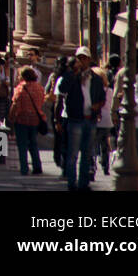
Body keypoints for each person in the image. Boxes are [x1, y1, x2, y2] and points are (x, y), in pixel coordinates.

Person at [56, 46, 105, 191]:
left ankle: (84, 183)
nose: (82, 61)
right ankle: (72, 182)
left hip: (90, 119)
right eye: (79, 58)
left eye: (84, 58)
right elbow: (62, 89)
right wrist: (73, 73)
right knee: (72, 154)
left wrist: (98, 105)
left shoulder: (96, 79)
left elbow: (102, 97)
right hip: (75, 119)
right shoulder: (71, 76)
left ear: (89, 60)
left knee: (87, 153)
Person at [8, 65, 46, 175]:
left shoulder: (20, 88)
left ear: (23, 76)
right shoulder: (39, 87)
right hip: (35, 119)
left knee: (22, 145)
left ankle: (24, 168)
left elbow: (15, 104)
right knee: (33, 143)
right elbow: (42, 101)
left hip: (22, 119)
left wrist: (11, 116)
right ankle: (37, 166)